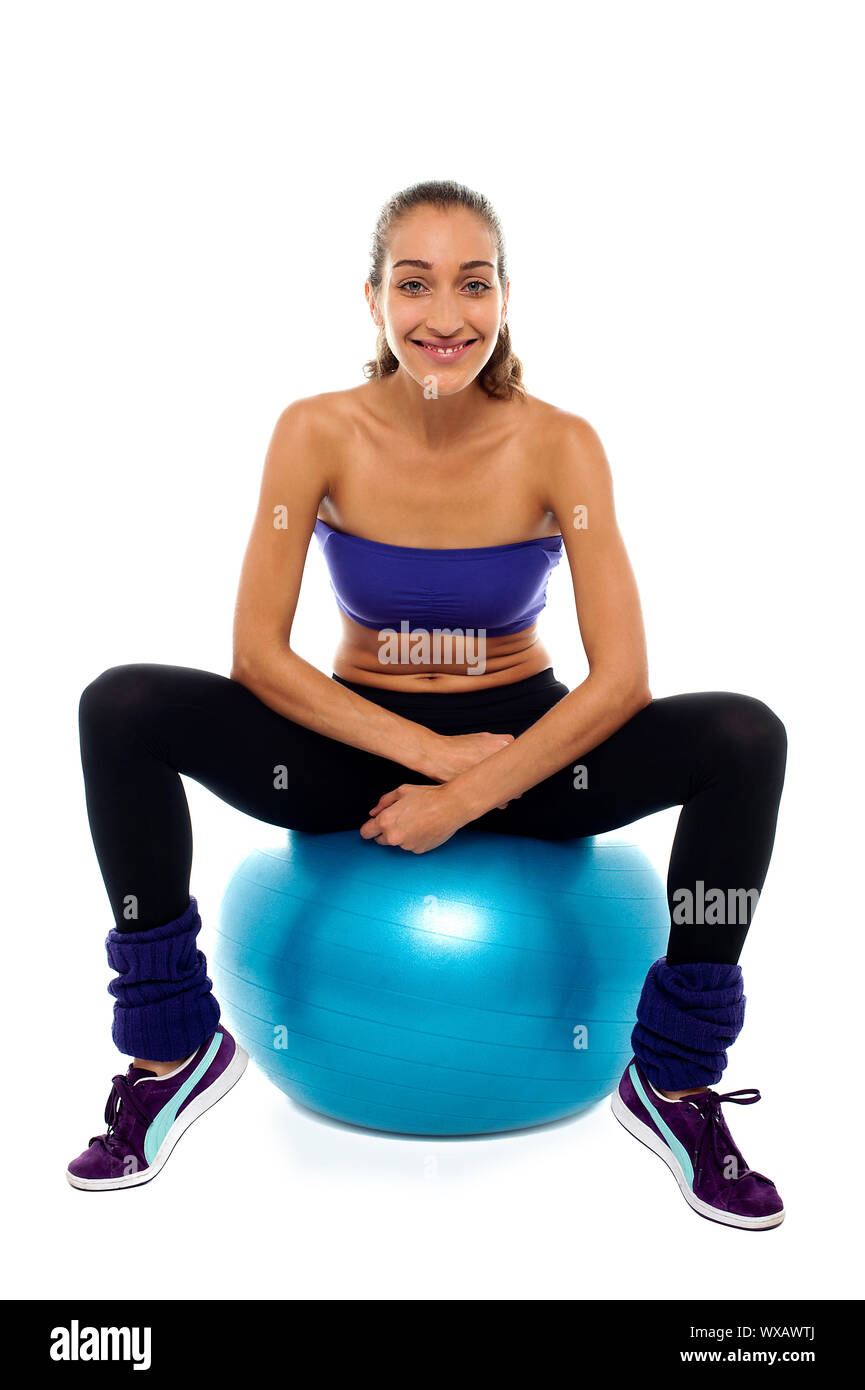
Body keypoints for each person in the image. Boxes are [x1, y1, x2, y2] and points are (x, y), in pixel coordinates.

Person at [68, 180, 787, 1229]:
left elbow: (622, 678)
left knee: (742, 735)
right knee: (120, 706)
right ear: (371, 299)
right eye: (414, 284)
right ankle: (171, 1046)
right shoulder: (314, 431)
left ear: (504, 299)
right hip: (349, 746)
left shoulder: (560, 443)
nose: (443, 316)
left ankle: (672, 1082)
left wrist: (479, 785)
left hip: (533, 747)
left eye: (472, 283)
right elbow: (259, 659)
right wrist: (430, 760)